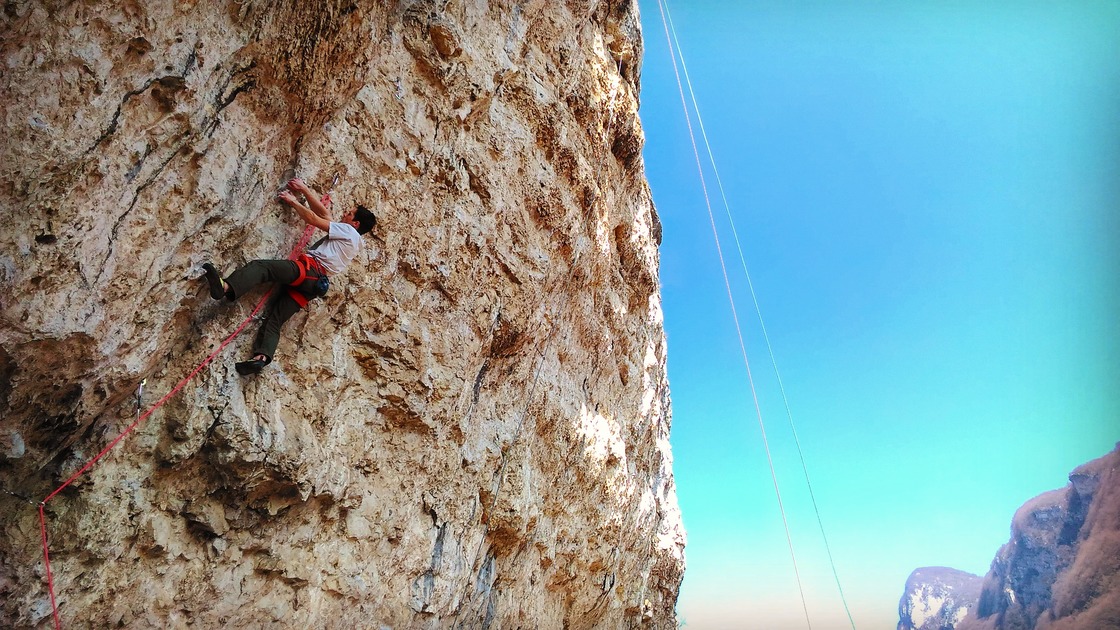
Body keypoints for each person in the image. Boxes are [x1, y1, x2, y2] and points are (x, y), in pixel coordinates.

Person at [201, 177, 376, 375]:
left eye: (350, 213)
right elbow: (324, 213)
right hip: (313, 287)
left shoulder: (347, 231)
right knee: (275, 320)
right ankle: (261, 358)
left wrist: (292, 200)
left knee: (262, 268)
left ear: (356, 222)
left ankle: (225, 287)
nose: (346, 213)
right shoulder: (354, 241)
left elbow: (313, 219)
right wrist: (305, 190)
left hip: (308, 271)